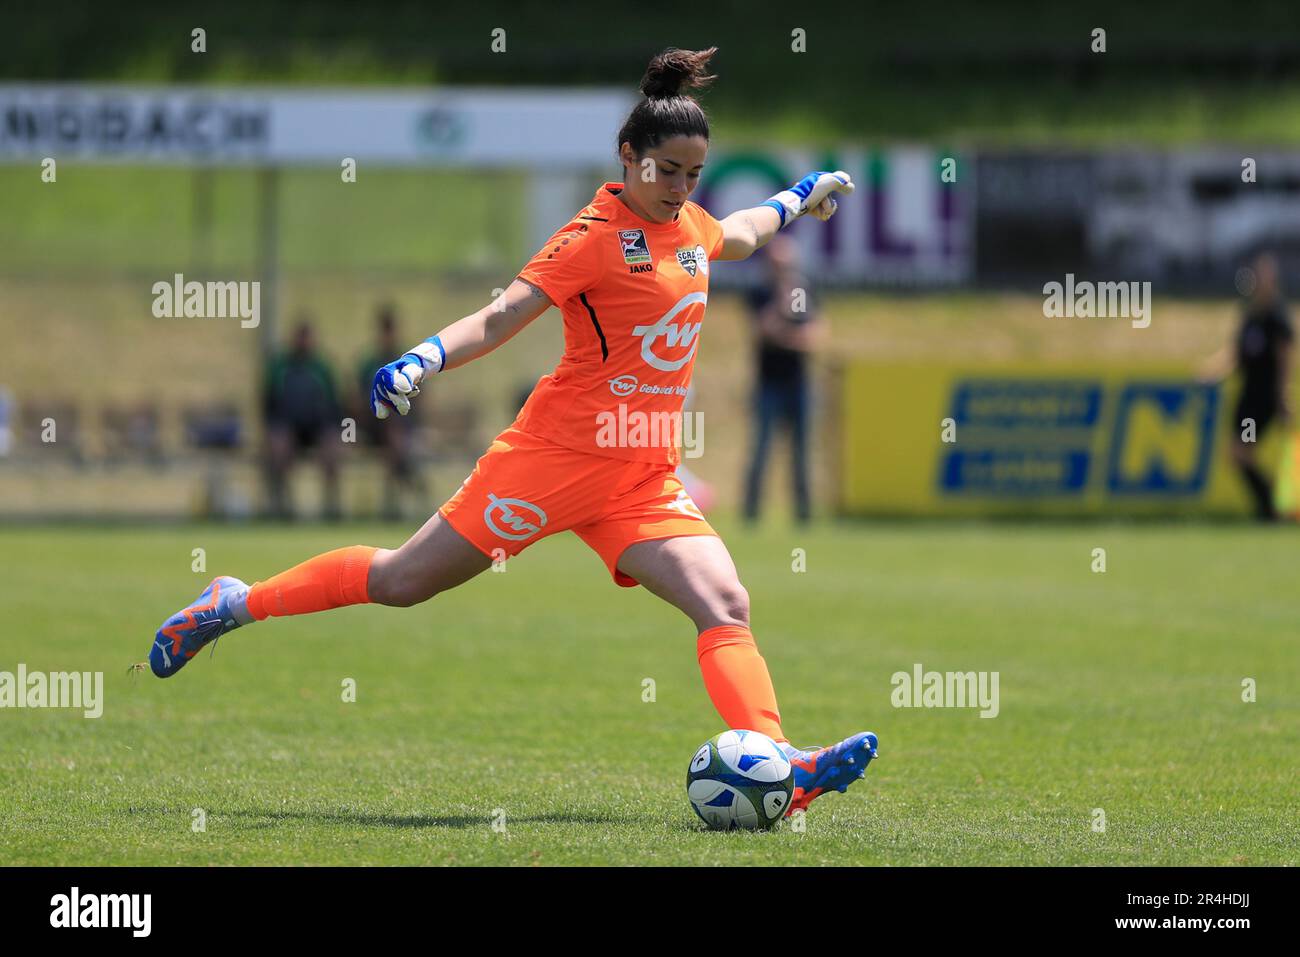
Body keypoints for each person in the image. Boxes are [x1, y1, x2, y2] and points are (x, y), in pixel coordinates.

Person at [142, 48, 875, 817]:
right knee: (399, 582)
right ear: (628, 156)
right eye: (666, 170)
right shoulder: (590, 236)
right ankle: (233, 602)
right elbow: (501, 316)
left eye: (694, 174)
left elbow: (742, 232)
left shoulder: (689, 222)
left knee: (726, 602)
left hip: (637, 479)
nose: (680, 188)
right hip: (549, 461)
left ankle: (785, 768)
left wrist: (801, 196)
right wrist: (425, 357)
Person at [1200, 252, 1295, 521]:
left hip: (1262, 399)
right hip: (1247, 397)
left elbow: (1285, 359)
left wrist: (1282, 396)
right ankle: (1271, 506)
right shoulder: (1250, 314)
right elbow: (1236, 354)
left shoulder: (1277, 317)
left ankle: (1271, 506)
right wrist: (1213, 370)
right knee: (1238, 454)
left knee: (1241, 450)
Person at [741, 233, 824, 524]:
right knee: (761, 449)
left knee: (801, 453)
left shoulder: (805, 290)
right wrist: (782, 302)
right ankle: (751, 512)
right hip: (768, 383)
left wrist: (786, 336)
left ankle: (803, 515)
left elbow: (813, 337)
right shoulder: (760, 293)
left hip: (799, 383)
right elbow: (764, 330)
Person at [262, 319, 342, 521]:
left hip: (317, 428)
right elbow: (268, 402)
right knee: (278, 448)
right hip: (289, 426)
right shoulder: (280, 366)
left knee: (332, 448)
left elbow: (335, 403)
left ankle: (331, 507)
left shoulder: (322, 367)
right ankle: (282, 506)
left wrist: (337, 430)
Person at [355, 305, 429, 520]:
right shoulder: (369, 363)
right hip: (372, 427)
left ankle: (393, 502)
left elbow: (420, 397)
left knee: (396, 436)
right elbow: (357, 400)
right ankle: (411, 486)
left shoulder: (407, 361)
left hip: (403, 427)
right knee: (394, 437)